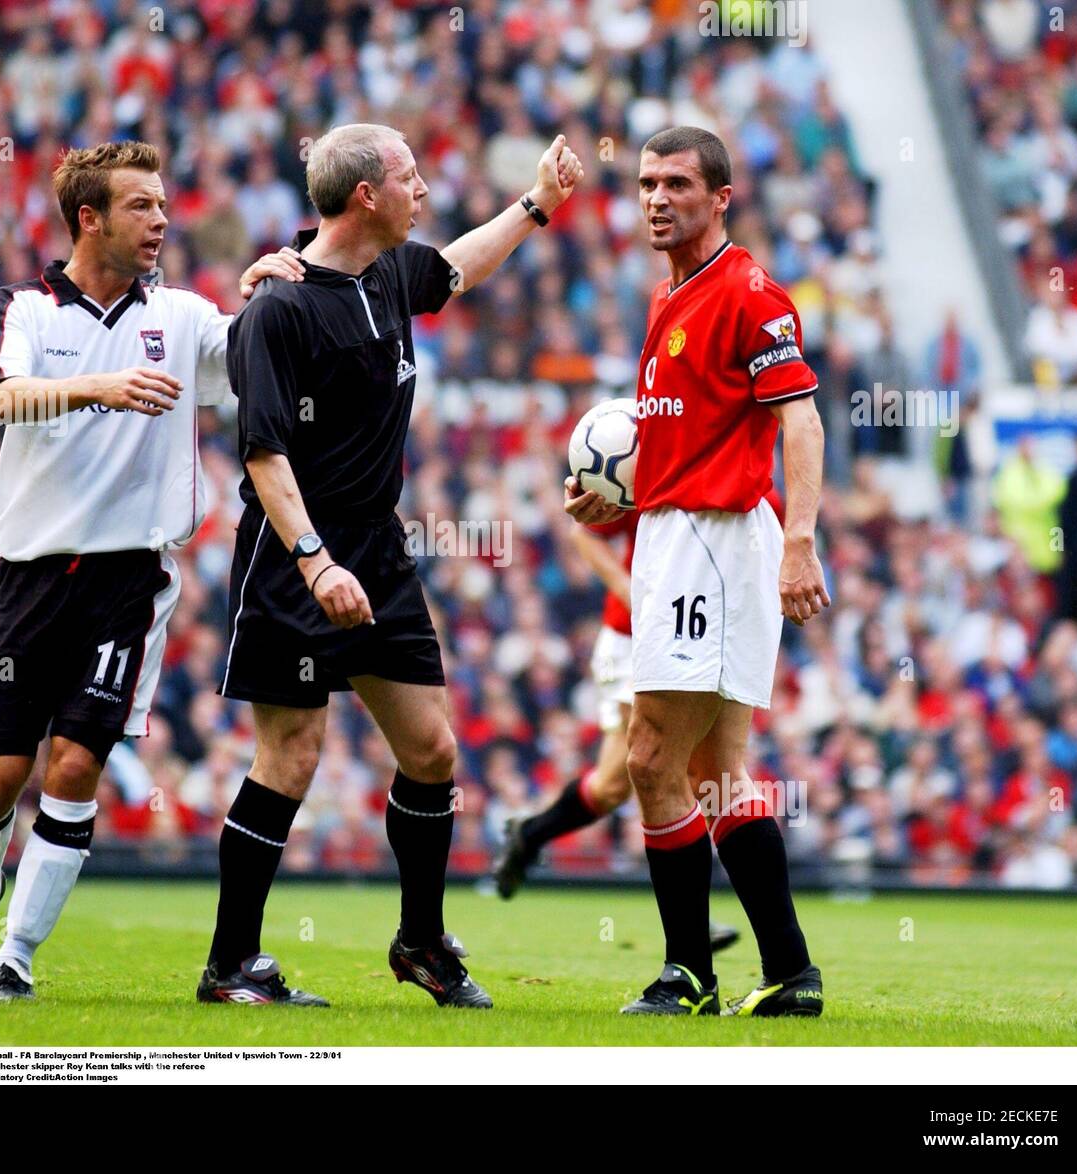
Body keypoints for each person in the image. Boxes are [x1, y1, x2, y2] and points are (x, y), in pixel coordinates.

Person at [201, 123, 582, 1009]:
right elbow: (263, 452)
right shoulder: (278, 309)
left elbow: (455, 267)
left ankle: (419, 942)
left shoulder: (388, 273)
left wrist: (537, 206)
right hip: (294, 558)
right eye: (410, 175)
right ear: (367, 194)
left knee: (432, 749)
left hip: (379, 549)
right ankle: (230, 965)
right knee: (290, 755)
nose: (425, 187)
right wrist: (315, 562)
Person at [0, 140, 300, 1001]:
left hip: (128, 581)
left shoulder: (179, 313)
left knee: (72, 768)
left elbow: (246, 355)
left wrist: (275, 289)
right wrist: (97, 386)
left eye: (164, 205)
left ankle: (17, 957)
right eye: (142, 206)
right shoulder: (21, 305)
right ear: (89, 217)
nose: (162, 220)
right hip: (27, 575)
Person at [566, 126, 829, 1017]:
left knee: (648, 756)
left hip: (716, 545)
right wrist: (616, 501)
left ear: (720, 197)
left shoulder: (750, 294)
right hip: (676, 535)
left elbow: (801, 421)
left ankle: (687, 975)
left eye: (676, 183)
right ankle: (791, 974)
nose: (655, 198)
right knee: (719, 774)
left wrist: (801, 540)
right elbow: (679, 442)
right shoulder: (669, 295)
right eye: (645, 183)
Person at [491, 511, 741, 954]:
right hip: (633, 643)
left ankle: (528, 835)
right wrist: (631, 594)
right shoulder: (652, 458)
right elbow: (585, 532)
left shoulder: (749, 484)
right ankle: (692, 923)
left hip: (688, 640)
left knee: (611, 788)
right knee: (667, 769)